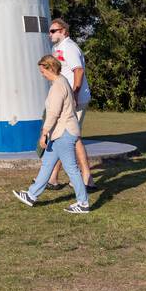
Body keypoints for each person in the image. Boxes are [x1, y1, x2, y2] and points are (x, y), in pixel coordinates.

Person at [12, 55, 90, 214]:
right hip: (61, 132)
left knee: (71, 169)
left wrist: (44, 133)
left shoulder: (57, 87)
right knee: (47, 163)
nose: (42, 74)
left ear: (50, 68)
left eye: (43, 71)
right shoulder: (61, 81)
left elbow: (53, 113)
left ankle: (83, 202)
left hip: (64, 132)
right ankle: (31, 195)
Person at [48, 18, 94, 191]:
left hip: (74, 100)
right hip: (64, 99)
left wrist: (74, 94)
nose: (50, 34)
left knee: (71, 138)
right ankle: (55, 177)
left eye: (54, 31)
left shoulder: (69, 47)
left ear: (64, 31)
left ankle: (85, 178)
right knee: (66, 137)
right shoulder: (57, 48)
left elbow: (78, 70)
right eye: (50, 31)